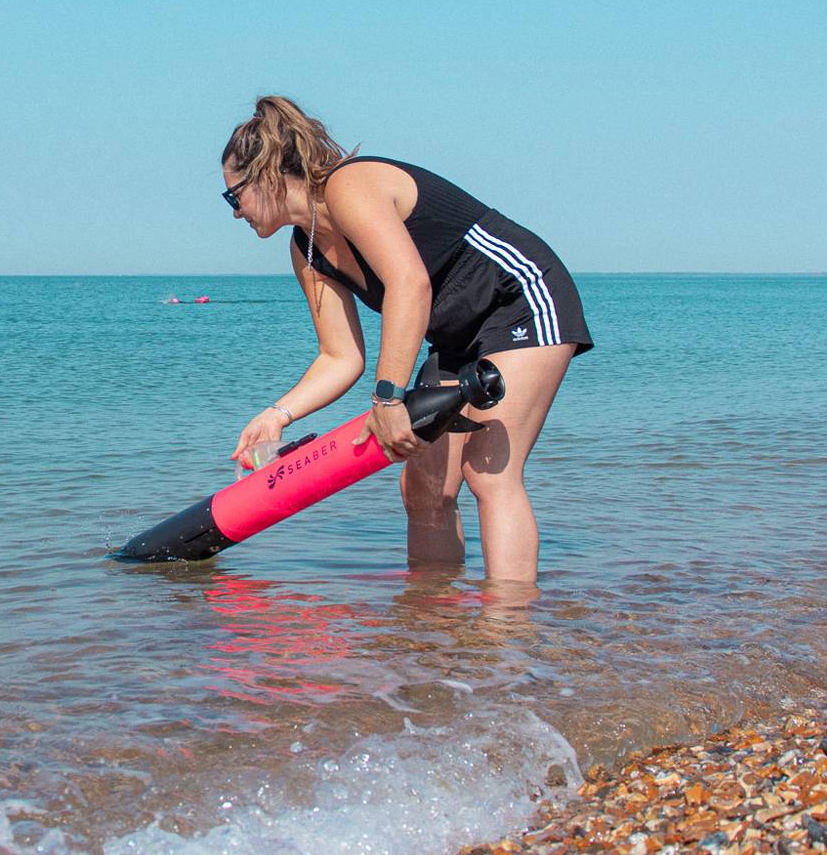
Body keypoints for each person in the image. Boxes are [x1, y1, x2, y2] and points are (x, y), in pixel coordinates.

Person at [220, 95, 592, 582]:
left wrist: (389, 398)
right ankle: (430, 621)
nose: (235, 213)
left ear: (267, 173)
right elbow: (340, 356)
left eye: (235, 196)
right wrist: (277, 414)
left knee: (488, 471)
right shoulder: (306, 248)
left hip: (519, 296)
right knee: (424, 486)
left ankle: (508, 629)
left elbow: (409, 285)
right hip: (457, 336)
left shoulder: (348, 187)